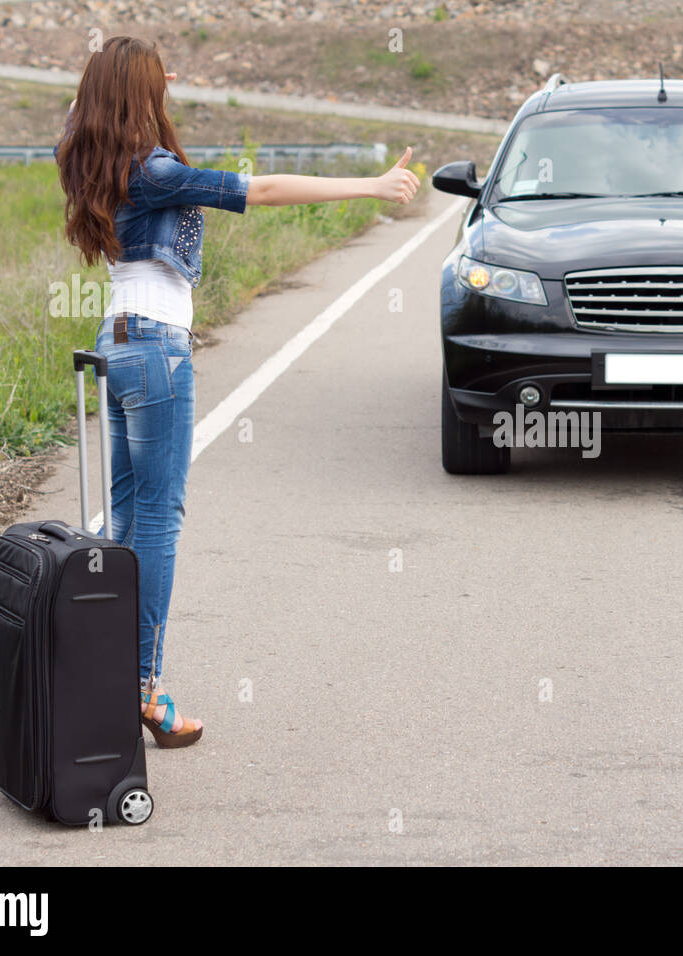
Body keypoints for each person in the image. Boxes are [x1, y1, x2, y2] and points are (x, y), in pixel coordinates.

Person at [54, 36, 418, 748]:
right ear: (140, 96)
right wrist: (371, 186)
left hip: (115, 342)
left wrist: (120, 83)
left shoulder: (83, 153)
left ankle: (106, 673)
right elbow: (264, 189)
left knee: (127, 518)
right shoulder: (153, 170)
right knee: (158, 520)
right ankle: (142, 685)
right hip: (156, 350)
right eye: (153, 88)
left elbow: (76, 115)